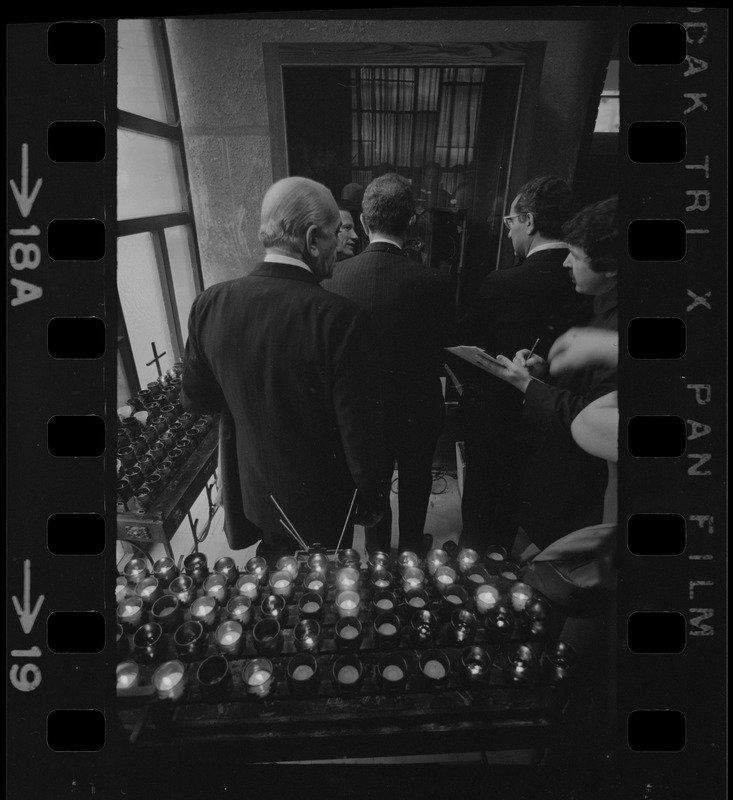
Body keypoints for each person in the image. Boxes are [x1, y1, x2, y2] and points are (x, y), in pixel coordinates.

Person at [180, 176, 388, 563]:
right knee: (318, 596)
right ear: (312, 239)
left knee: (274, 574)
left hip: (254, 488)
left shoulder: (210, 303)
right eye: (334, 234)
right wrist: (372, 499)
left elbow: (196, 399)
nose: (337, 246)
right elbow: (359, 432)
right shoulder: (341, 320)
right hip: (321, 504)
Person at [475, 196, 618, 561]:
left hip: (586, 495)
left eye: (577, 256)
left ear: (613, 267)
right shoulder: (600, 305)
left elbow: (591, 419)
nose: (566, 263)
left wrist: (528, 385)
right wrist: (544, 374)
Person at [453, 176, 590, 556]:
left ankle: (472, 570)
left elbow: (464, 344)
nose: (509, 231)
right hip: (562, 428)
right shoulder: (585, 285)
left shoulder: (503, 282)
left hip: (498, 423)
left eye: (510, 221)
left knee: (481, 514)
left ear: (529, 222)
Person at [324, 173, 456, 556]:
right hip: (418, 408)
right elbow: (446, 346)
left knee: (373, 487)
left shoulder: (334, 279)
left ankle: (380, 556)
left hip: (363, 412)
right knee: (416, 483)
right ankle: (412, 549)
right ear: (411, 221)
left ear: (364, 222)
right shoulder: (435, 282)